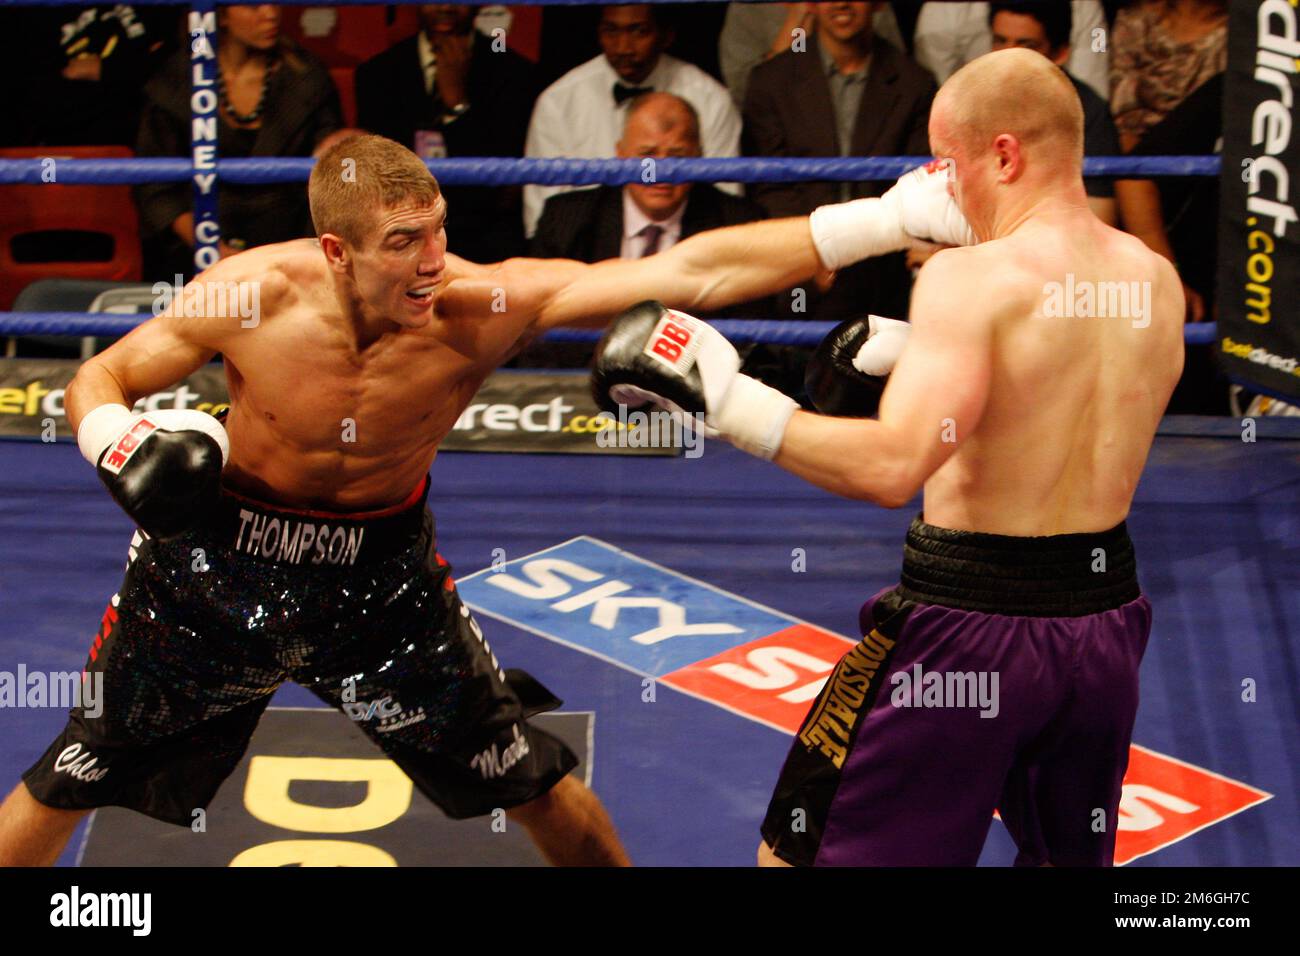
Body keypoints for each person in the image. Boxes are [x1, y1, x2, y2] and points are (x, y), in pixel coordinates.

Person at [0, 132, 969, 867]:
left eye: (438, 233)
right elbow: (102, 378)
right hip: (213, 570)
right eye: (399, 243)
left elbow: (687, 271)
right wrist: (115, 441)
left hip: (378, 582)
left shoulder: (478, 306)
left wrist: (876, 222)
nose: (432, 261)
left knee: (530, 775)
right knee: (72, 772)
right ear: (335, 251)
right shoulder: (249, 294)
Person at [591, 47, 1185, 865]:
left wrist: (726, 401)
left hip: (967, 628)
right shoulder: (1152, 282)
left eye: (950, 164)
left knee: (798, 854)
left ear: (1004, 154)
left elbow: (890, 467)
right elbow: (1050, 409)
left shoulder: (968, 278)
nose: (942, 188)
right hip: (1107, 626)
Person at [743, 1, 935, 321]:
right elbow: (767, 183)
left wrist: (853, 241)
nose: (842, 3)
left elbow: (917, 180)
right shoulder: (771, 81)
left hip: (882, 266)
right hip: (796, 260)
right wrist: (812, 247)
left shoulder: (915, 83)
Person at [135, 4, 345, 279]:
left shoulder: (307, 76)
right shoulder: (176, 80)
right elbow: (156, 187)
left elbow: (329, 170)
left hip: (290, 247)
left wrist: (344, 149)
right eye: (254, 5)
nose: (271, 13)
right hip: (196, 246)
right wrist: (211, 249)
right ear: (221, 15)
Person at [523, 3, 741, 238]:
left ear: (666, 36)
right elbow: (542, 216)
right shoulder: (559, 100)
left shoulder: (711, 99)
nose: (623, 47)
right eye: (611, 31)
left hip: (689, 248)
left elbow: (726, 205)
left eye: (639, 31)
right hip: (584, 254)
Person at [355, 4, 538, 263]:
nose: (444, 6)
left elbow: (501, 187)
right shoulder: (377, 74)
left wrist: (457, 103)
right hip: (399, 230)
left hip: (483, 234)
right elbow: (377, 172)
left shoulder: (514, 72)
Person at [987, 1, 1120, 226]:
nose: (1008, 55)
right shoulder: (966, 100)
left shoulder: (1088, 111)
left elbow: (1097, 219)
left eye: (1026, 45)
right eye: (1000, 41)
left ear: (1060, 53)